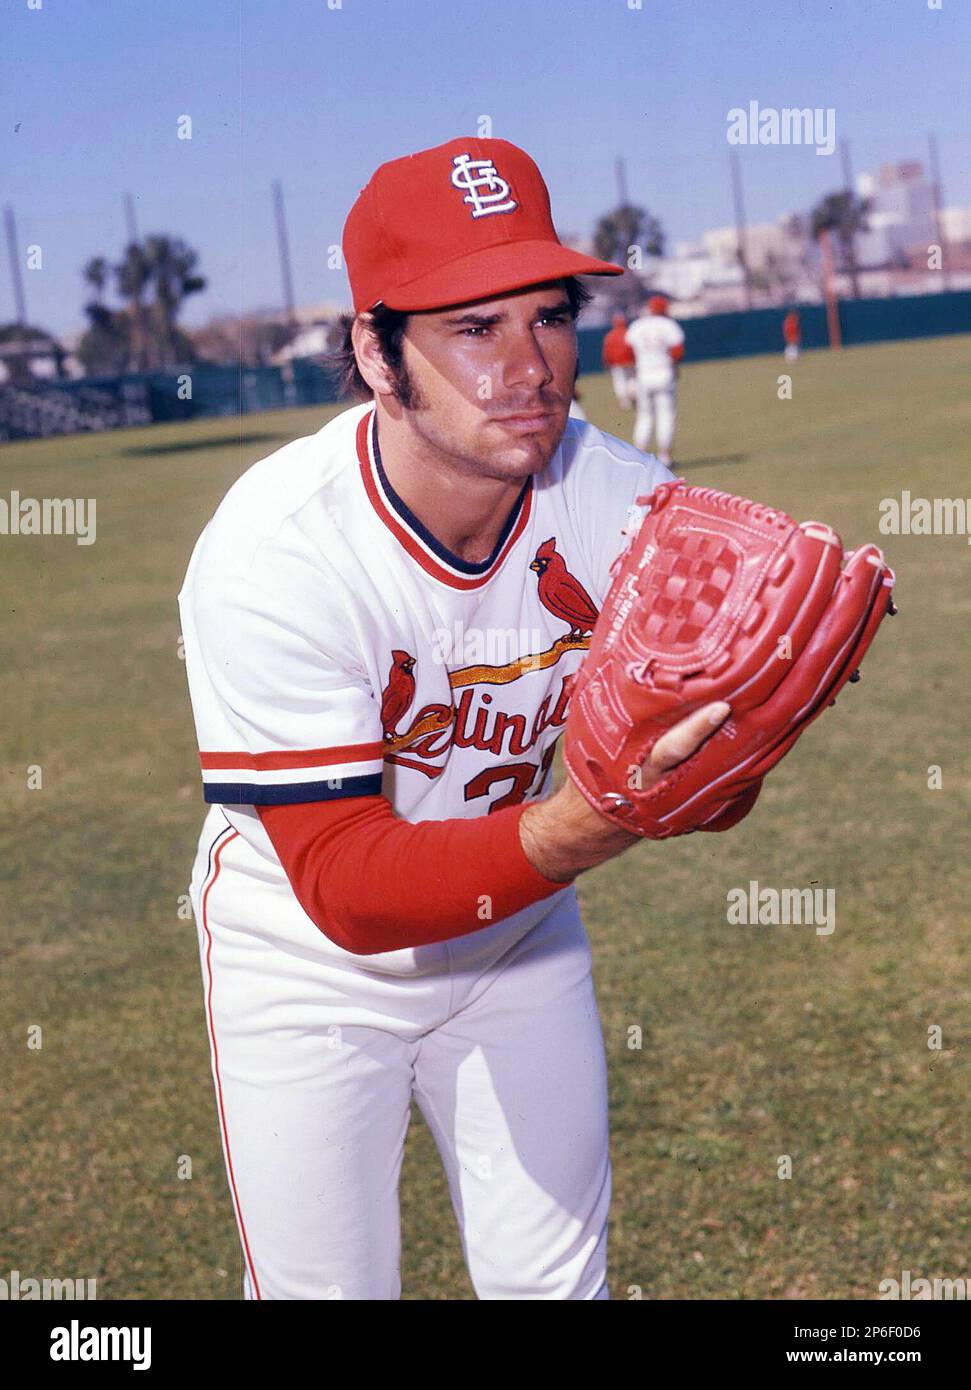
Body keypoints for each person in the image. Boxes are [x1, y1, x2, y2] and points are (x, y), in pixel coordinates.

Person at [177, 136, 732, 1301]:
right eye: (472, 327)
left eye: (547, 314)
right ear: (375, 352)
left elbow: (709, 781)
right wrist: (591, 824)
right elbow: (346, 882)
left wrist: (742, 735)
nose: (528, 365)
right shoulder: (275, 549)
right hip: (308, 964)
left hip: (517, 936)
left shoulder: (626, 503)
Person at [625, 293, 685, 465]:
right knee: (665, 415)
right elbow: (677, 352)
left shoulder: (637, 325)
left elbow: (628, 350)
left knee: (644, 415)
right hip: (663, 372)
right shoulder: (668, 324)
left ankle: (640, 456)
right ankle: (665, 456)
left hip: (643, 373)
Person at [601, 311, 636, 409]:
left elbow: (606, 351)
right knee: (631, 379)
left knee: (620, 382)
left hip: (616, 363)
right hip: (630, 362)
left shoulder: (610, 336)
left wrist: (607, 363)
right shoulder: (630, 333)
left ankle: (625, 401)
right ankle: (633, 394)